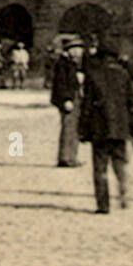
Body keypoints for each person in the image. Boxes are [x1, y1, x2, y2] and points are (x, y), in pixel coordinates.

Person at [78, 35, 133, 214]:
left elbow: (86, 105)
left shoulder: (93, 75)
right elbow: (131, 103)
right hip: (120, 127)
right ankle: (124, 192)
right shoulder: (123, 75)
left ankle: (103, 204)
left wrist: (83, 129)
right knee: (120, 164)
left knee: (100, 168)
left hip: (99, 128)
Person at [51, 35, 85, 167]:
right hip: (69, 99)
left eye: (79, 49)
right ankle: (66, 157)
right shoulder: (63, 64)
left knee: (73, 127)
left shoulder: (71, 63)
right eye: (75, 49)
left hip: (74, 97)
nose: (78, 52)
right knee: (68, 128)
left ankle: (72, 156)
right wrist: (66, 99)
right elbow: (61, 83)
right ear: (69, 50)